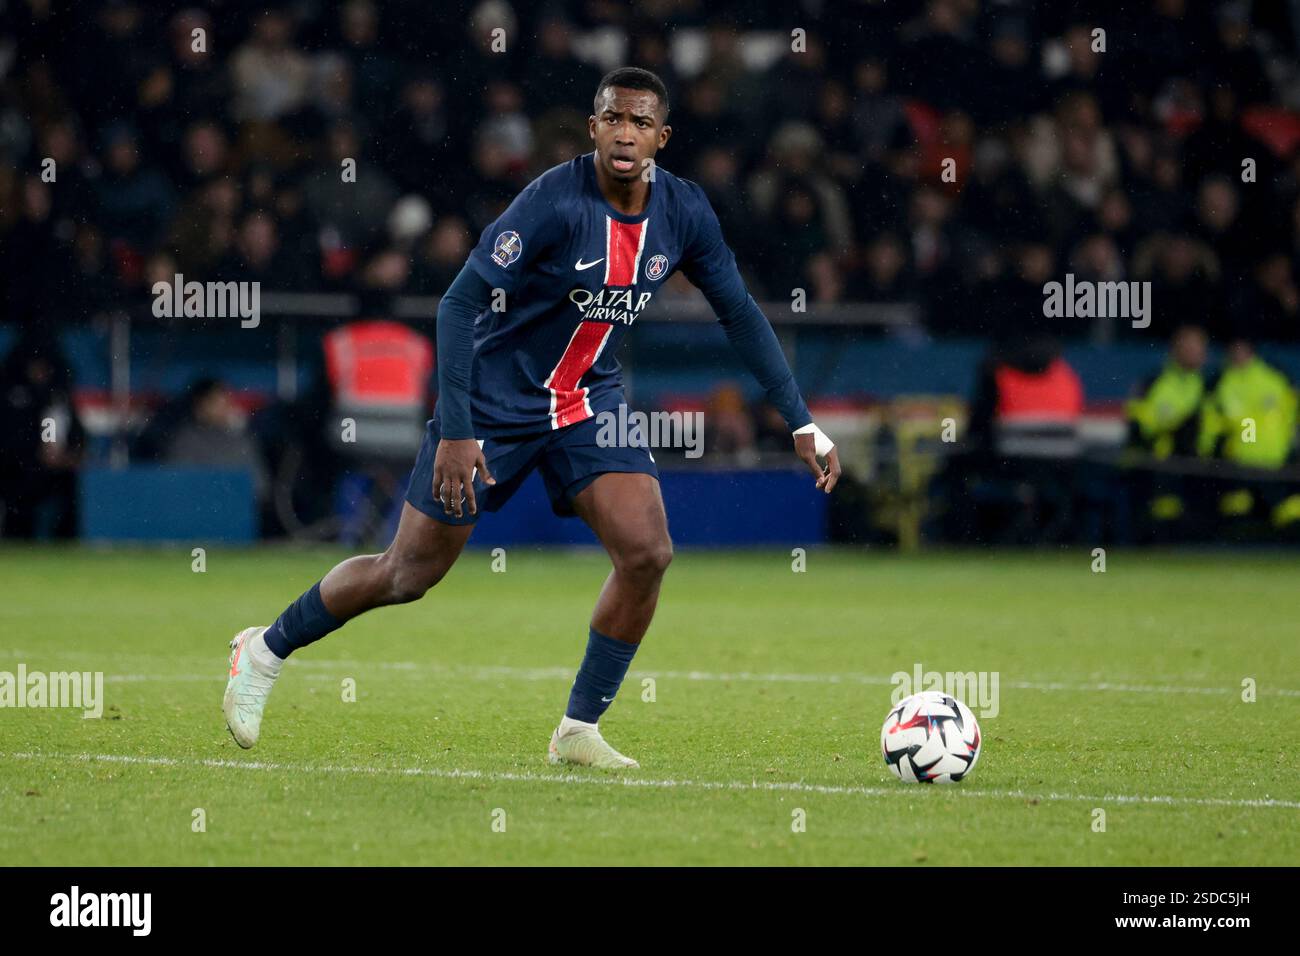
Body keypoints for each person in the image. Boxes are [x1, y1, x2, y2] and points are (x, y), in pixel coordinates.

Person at [223, 68, 841, 767]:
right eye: (614, 118)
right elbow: (457, 305)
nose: (626, 133)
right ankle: (266, 648)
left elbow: (739, 312)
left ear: (661, 137)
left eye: (641, 123)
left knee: (647, 552)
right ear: (595, 127)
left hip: (586, 401)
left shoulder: (686, 212)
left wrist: (800, 420)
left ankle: (577, 729)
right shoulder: (551, 201)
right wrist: (457, 430)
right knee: (408, 574)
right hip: (492, 405)